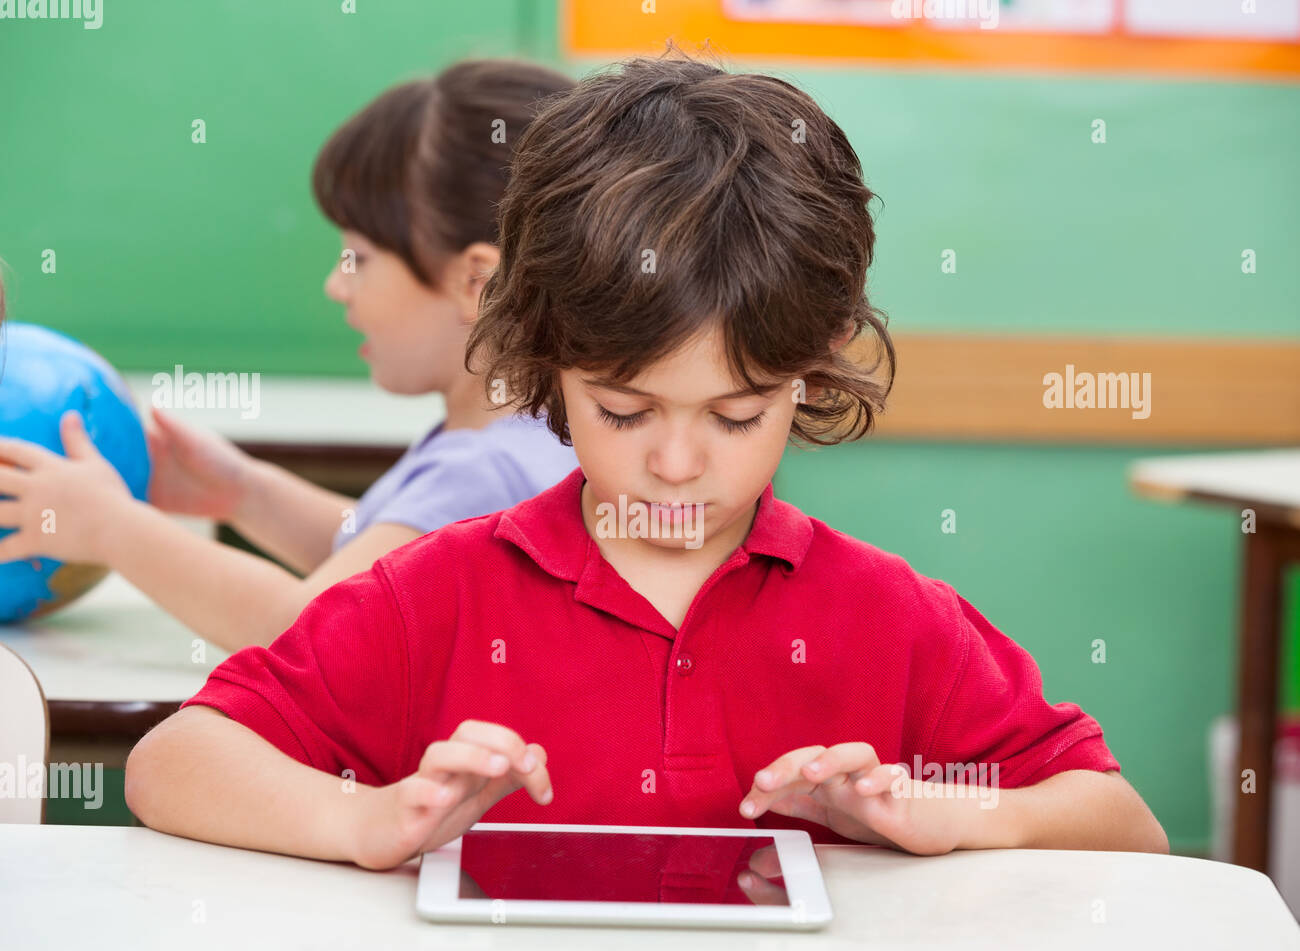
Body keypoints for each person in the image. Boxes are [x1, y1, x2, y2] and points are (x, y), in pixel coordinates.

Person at [125, 49, 1168, 871]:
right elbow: (173, 763)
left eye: (735, 413)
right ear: (546, 370)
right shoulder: (440, 594)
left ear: (806, 377)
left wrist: (943, 815)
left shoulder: (887, 618)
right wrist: (366, 816)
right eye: (624, 410)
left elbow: (1124, 824)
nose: (678, 464)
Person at [0, 60, 578, 651]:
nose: (336, 284)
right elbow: (386, 557)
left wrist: (110, 528)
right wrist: (246, 493)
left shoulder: (486, 471)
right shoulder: (527, 441)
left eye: (359, 257)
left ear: (477, 283)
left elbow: (310, 630)